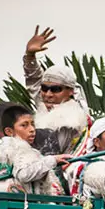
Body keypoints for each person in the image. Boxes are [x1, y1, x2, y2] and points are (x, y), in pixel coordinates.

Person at [22, 26, 91, 156]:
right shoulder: (47, 104)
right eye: (45, 88)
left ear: (70, 91)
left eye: (55, 89)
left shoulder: (71, 118)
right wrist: (30, 56)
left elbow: (51, 152)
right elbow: (35, 81)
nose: (48, 94)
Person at [0, 103, 70, 196]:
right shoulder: (17, 148)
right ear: (8, 131)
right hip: (21, 206)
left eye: (32, 124)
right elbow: (23, 174)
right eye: (24, 125)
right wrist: (53, 160)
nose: (32, 129)